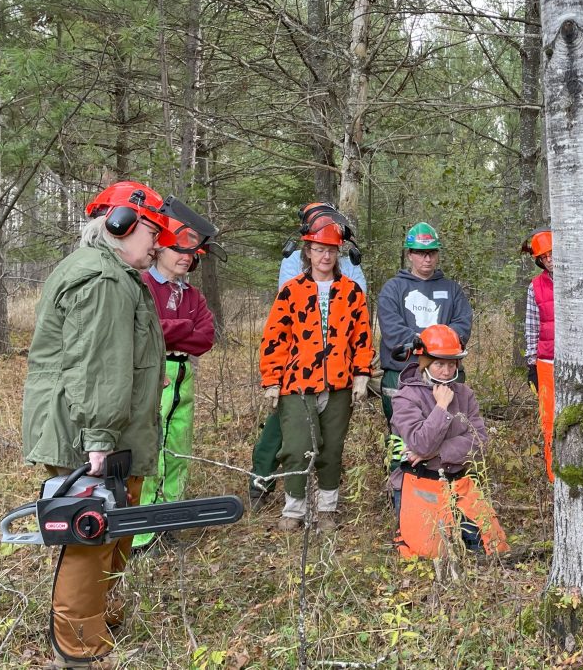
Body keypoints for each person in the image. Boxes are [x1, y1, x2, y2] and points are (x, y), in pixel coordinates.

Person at [21, 180, 214, 668]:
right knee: (90, 532)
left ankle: (95, 617)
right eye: (151, 231)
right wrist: (100, 439)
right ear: (119, 225)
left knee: (113, 528)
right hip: (91, 433)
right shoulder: (103, 280)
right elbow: (98, 366)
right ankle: (78, 649)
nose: (157, 243)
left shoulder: (114, 273)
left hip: (105, 430)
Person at [259, 215, 373, 531]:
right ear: (308, 251)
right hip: (297, 384)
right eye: (319, 249)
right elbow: (275, 337)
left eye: (331, 250)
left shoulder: (351, 292)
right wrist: (272, 379)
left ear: (338, 254)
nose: (325, 256)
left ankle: (326, 509)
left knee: (331, 449)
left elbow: (361, 336)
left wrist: (361, 373)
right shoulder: (291, 291)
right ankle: (294, 510)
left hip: (338, 383)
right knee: (296, 448)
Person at [132, 221, 218, 551]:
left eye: (192, 253)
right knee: (150, 450)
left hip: (185, 374)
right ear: (160, 248)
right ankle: (140, 534)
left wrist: (172, 328)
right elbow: (147, 328)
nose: (187, 258)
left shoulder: (192, 294)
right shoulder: (142, 285)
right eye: (179, 250)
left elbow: (205, 337)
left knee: (179, 448)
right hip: (153, 372)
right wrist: (184, 327)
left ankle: (170, 521)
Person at [390, 324, 508, 558]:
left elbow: (479, 442)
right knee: (431, 553)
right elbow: (420, 443)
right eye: (439, 364)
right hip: (421, 482)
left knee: (494, 546)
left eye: (451, 363)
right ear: (425, 362)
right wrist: (441, 407)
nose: (446, 371)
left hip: (460, 482)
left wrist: (437, 452)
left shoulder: (465, 394)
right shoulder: (406, 397)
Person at [377, 222, 473, 471]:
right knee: (401, 434)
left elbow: (462, 325)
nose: (427, 258)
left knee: (449, 428)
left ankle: (444, 482)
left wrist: (442, 346)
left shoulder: (452, 290)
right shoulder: (393, 289)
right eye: (420, 252)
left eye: (432, 252)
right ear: (410, 254)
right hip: (402, 373)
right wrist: (424, 343)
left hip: (446, 374)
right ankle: (399, 486)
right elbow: (392, 330)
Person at [521, 229, 555, 482]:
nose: (550, 259)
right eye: (545, 257)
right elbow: (531, 327)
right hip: (547, 361)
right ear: (540, 261)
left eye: (553, 254)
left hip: (578, 361)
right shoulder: (535, 287)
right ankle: (554, 472)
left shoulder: (579, 279)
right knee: (550, 421)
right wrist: (532, 363)